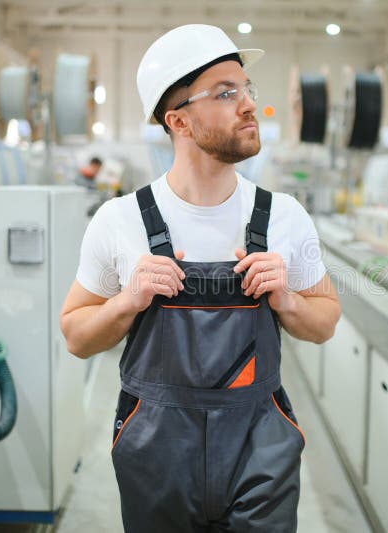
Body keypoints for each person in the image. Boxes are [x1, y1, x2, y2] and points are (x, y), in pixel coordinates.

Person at [60, 24, 340, 533]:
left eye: (247, 89)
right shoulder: (120, 221)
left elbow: (326, 322)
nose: (249, 105)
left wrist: (290, 302)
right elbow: (76, 336)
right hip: (156, 454)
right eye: (227, 93)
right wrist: (127, 301)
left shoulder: (284, 217)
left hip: (260, 449)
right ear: (179, 121)